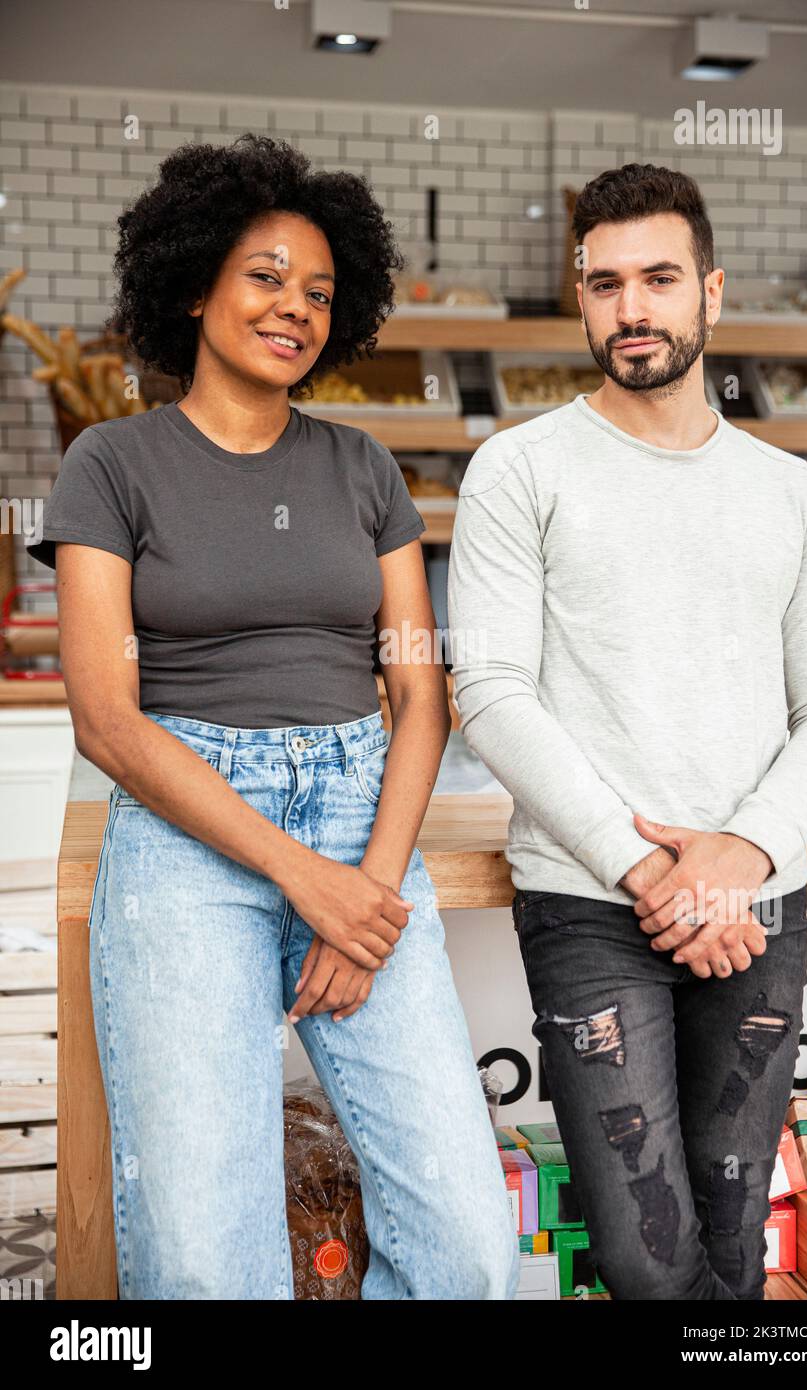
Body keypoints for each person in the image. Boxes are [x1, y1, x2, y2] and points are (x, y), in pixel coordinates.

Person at [26, 133, 519, 1300]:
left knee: (464, 1241)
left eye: (317, 291)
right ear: (192, 284)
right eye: (263, 276)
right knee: (205, 1259)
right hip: (190, 832)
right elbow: (105, 716)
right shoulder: (112, 464)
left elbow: (417, 692)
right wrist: (308, 879)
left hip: (362, 824)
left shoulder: (362, 470)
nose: (292, 307)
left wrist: (371, 892)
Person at [447, 162, 807, 1300]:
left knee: (735, 1235)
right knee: (641, 1252)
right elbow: (487, 691)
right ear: (579, 298)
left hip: (753, 906)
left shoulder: (788, 493)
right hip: (591, 906)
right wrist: (651, 871)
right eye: (604, 283)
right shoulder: (516, 470)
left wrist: (736, 856)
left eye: (658, 279)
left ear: (709, 294)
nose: (630, 307)